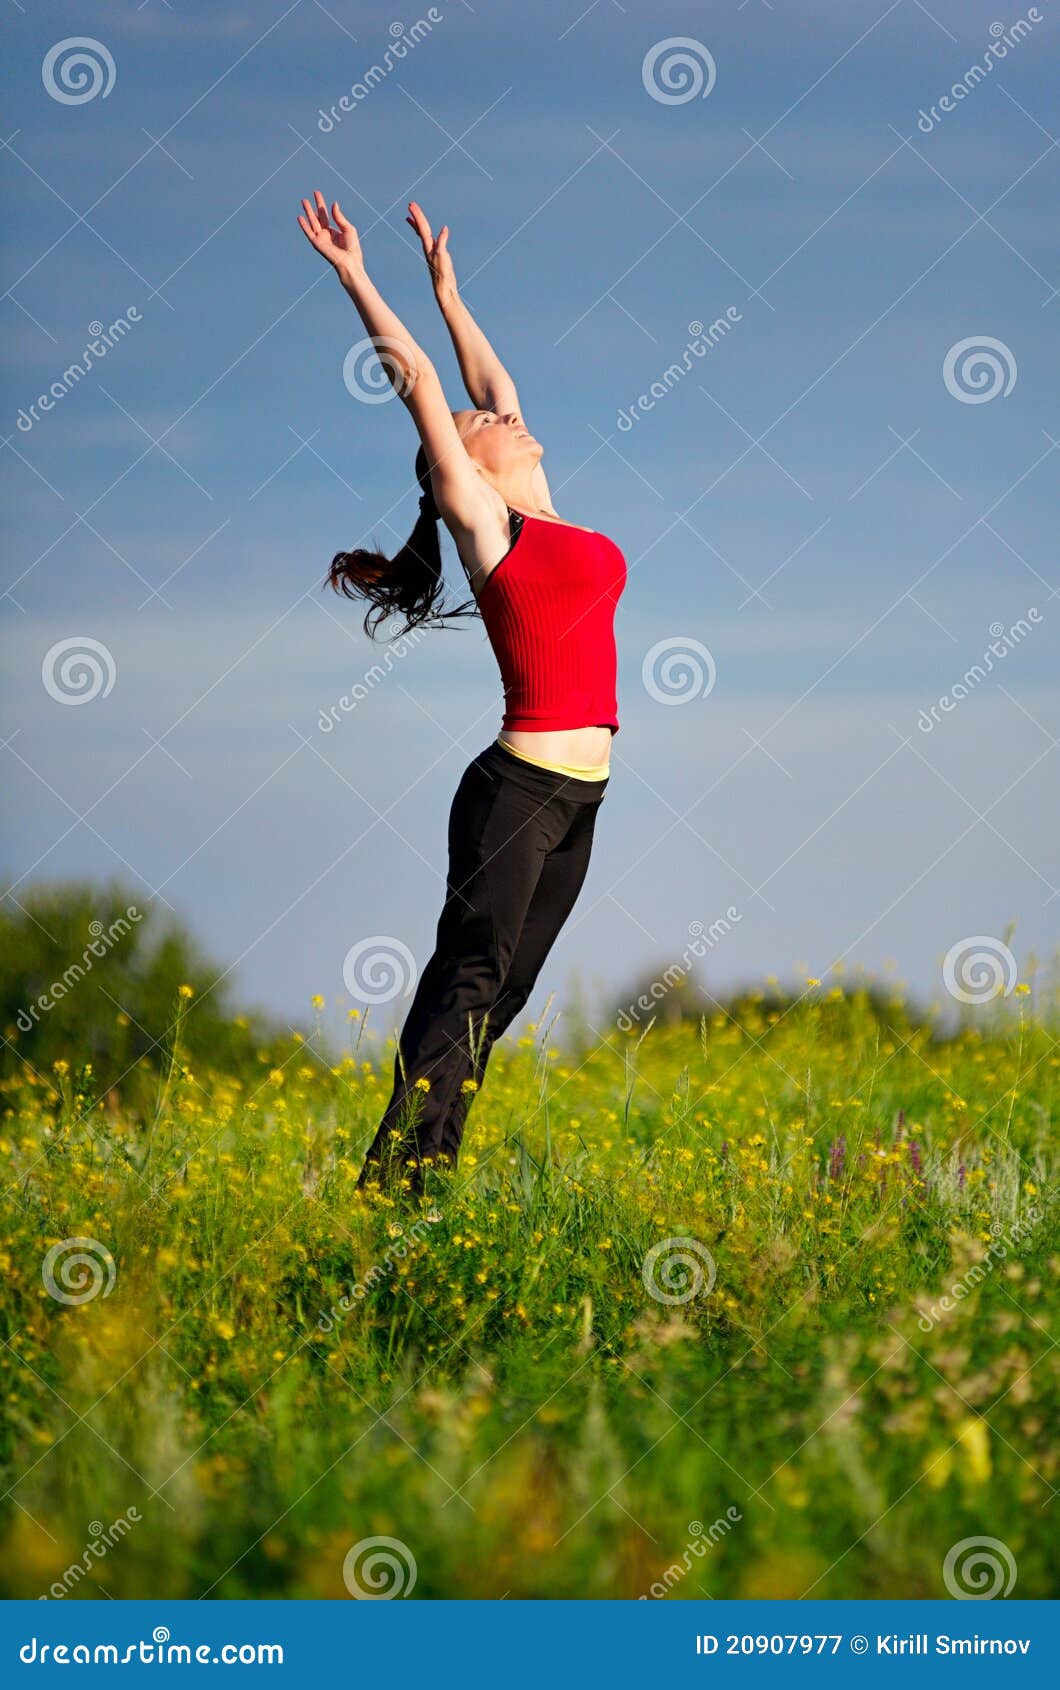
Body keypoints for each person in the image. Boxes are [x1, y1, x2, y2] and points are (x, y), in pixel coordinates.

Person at [297, 191, 626, 1193]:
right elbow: (430, 388)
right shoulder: (488, 525)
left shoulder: (548, 513)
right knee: (469, 976)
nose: (498, 417)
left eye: (493, 418)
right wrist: (359, 275)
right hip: (518, 789)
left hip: (580, 797)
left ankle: (429, 1168)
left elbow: (488, 376)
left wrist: (449, 288)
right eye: (479, 425)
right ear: (460, 468)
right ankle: (396, 1181)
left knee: (505, 988)